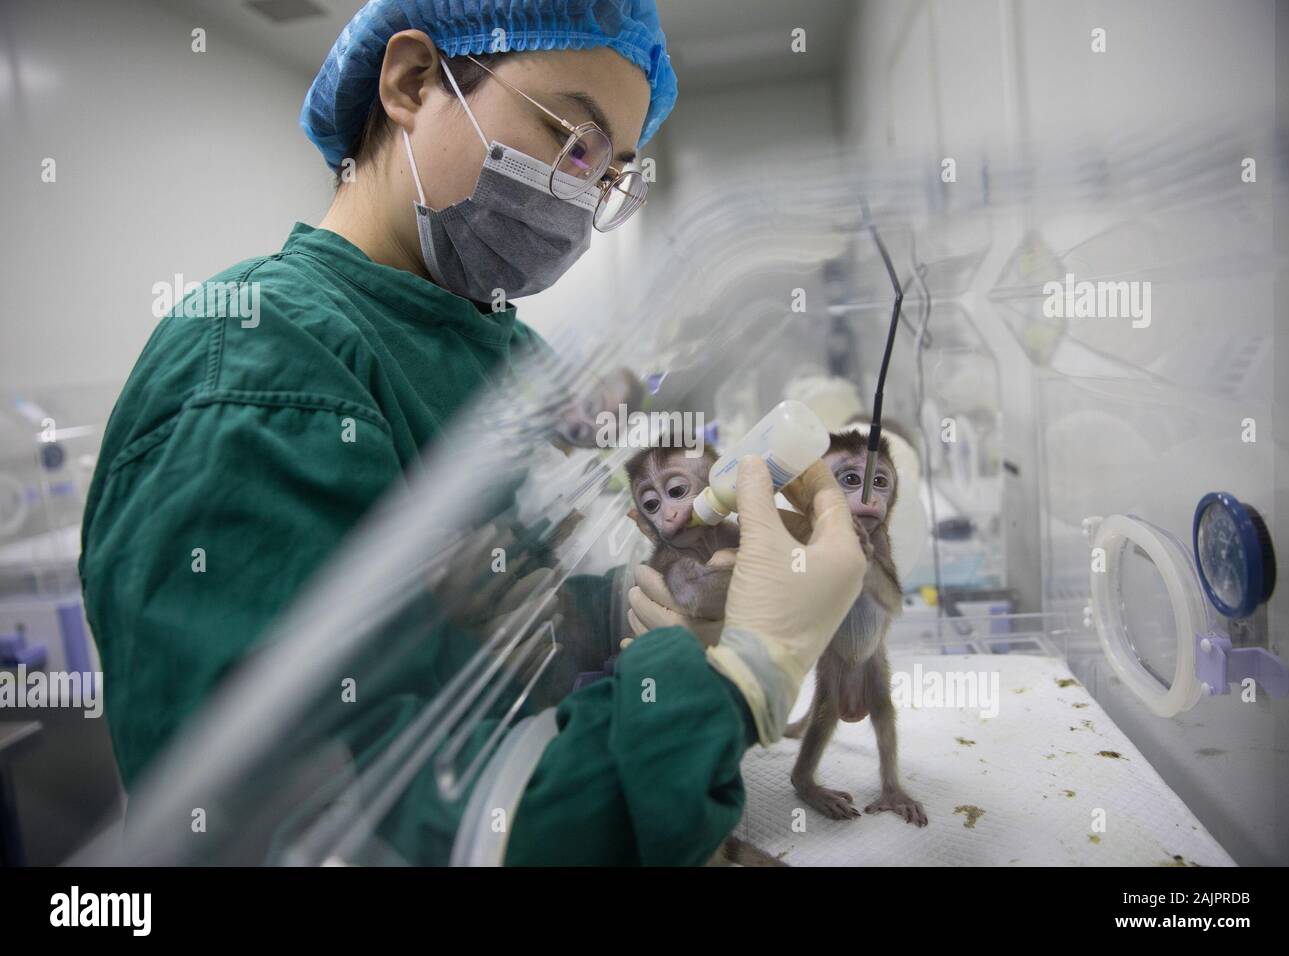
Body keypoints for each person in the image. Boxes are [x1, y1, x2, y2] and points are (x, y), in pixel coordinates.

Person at [79, 0, 868, 865]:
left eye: (612, 177)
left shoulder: (504, 352)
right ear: (414, 81)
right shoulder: (257, 365)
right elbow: (309, 830)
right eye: (576, 140)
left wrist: (677, 600)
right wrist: (747, 677)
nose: (585, 197)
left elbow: (513, 620)